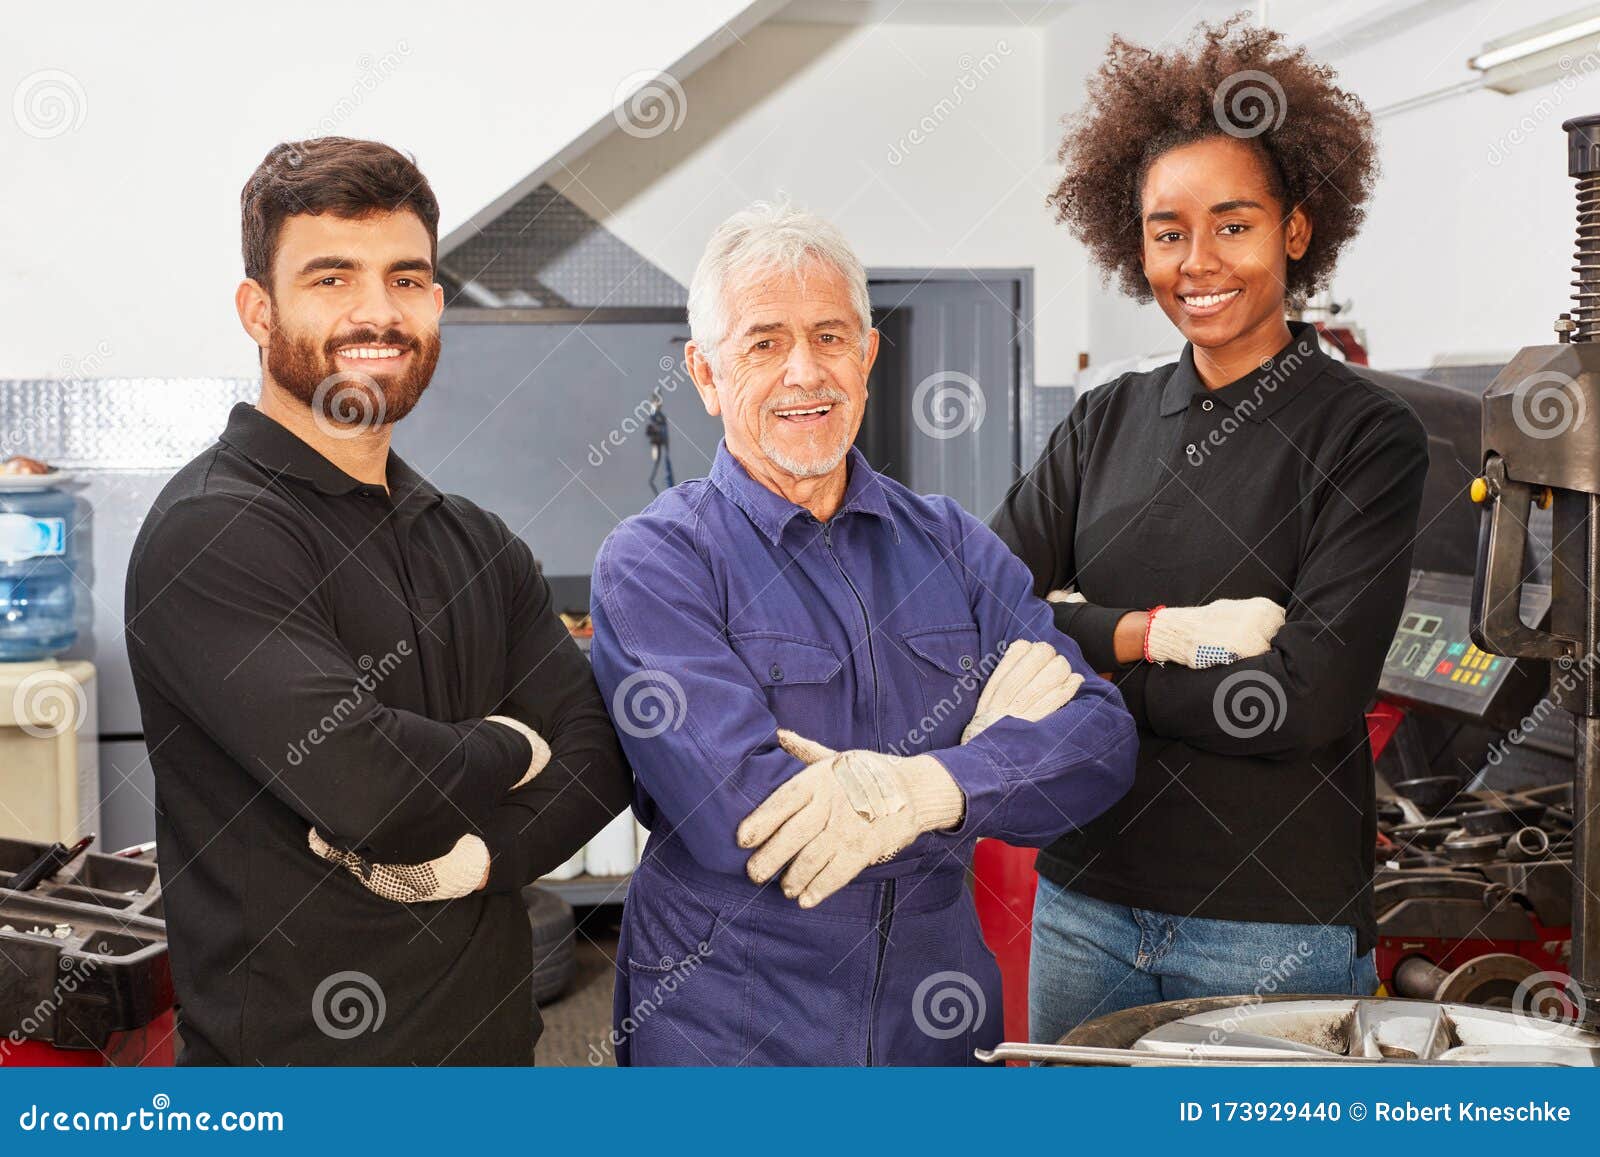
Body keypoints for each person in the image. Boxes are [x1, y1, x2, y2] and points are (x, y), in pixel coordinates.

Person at [589, 201, 1139, 1066]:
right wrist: (987, 773)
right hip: (735, 1032)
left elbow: (1101, 744)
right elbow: (749, 818)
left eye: (831, 337)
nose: (805, 372)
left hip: (936, 1023)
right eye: (764, 343)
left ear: (869, 356)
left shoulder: (952, 544)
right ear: (704, 373)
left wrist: (919, 791)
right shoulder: (658, 561)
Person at [124, 137, 632, 1064]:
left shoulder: (473, 539)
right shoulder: (212, 534)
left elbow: (600, 756)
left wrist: (485, 858)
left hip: (494, 1063)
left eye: (405, 278)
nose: (376, 311)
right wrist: (514, 744)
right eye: (331, 278)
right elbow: (371, 786)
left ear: (436, 303)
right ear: (256, 308)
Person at [989, 18, 1429, 1043]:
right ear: (1130, 237)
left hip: (1269, 923)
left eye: (1231, 223)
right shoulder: (1105, 419)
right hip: (1085, 899)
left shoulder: (1367, 435)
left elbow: (1301, 701)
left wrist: (1078, 646)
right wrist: (1151, 633)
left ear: (1295, 230)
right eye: (1165, 229)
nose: (1196, 261)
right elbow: (985, 606)